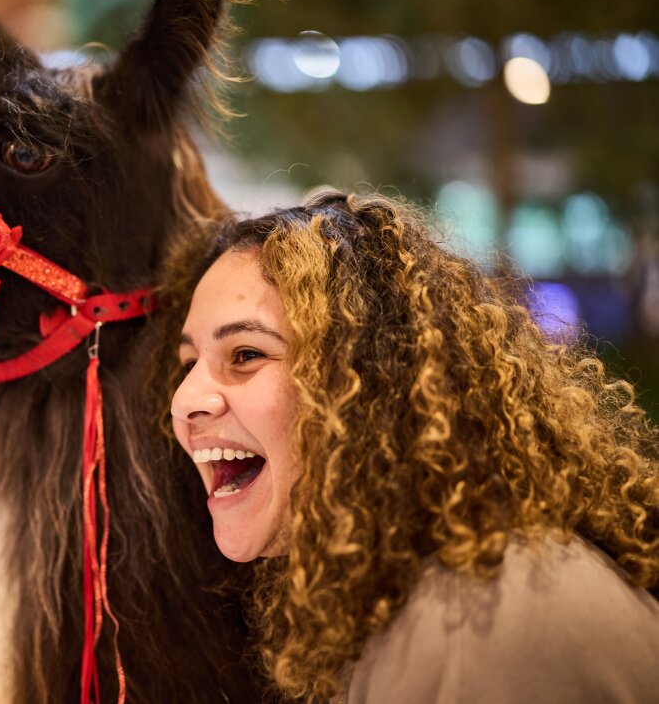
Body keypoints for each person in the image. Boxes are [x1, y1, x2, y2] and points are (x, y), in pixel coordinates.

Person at [168, 190, 659, 703]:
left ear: (369, 380)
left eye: (245, 354)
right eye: (188, 365)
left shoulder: (481, 620)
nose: (183, 401)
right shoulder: (391, 598)